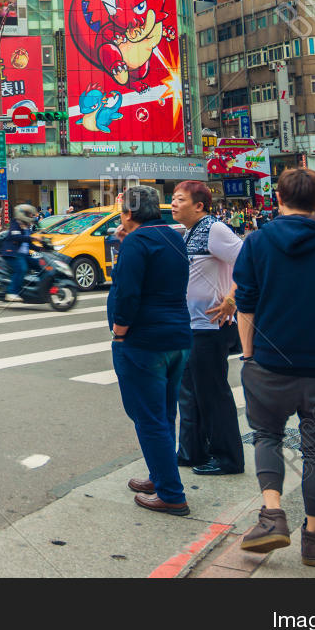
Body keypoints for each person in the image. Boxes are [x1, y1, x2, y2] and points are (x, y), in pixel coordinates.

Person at [233, 167, 315, 567]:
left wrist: (249, 355)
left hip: (269, 362)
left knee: (267, 435)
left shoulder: (257, 241)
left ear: (278, 198)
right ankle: (314, 540)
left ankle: (272, 514)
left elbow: (246, 304)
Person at [107, 186, 193, 515]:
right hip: (177, 337)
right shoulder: (172, 237)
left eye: (121, 211)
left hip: (144, 341)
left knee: (148, 418)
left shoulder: (137, 243)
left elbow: (127, 293)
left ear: (129, 213)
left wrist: (119, 331)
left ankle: (171, 493)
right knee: (164, 414)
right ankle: (160, 476)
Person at [170, 180, 244, 476]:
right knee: (190, 394)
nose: (173, 204)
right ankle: (192, 450)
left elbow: (248, 262)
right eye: (173, 198)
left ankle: (228, 458)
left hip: (211, 327)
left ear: (199, 205)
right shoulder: (189, 232)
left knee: (213, 394)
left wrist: (232, 299)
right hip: (192, 324)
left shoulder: (215, 229)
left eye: (180, 199)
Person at [0, 205, 36, 301]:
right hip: (12, 253)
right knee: (21, 269)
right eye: (29, 214)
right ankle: (11, 292)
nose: (31, 216)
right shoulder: (15, 223)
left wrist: (41, 248)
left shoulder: (26, 225)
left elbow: (28, 243)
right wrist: (32, 238)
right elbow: (16, 237)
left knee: (38, 264)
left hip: (24, 254)